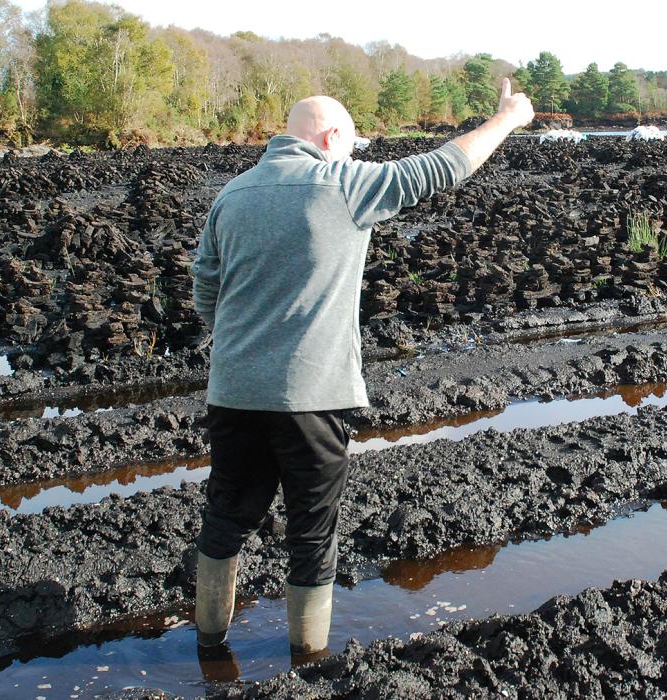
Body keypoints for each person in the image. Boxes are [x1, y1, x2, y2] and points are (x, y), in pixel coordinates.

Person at [190, 78, 534, 658]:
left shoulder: (233, 194)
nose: (354, 157)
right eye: (351, 147)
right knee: (312, 532)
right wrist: (507, 119)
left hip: (232, 390)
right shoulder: (345, 183)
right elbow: (444, 166)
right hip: (312, 398)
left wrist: (239, 348)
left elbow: (205, 290)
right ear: (331, 138)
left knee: (226, 517)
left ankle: (208, 650)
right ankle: (307, 662)